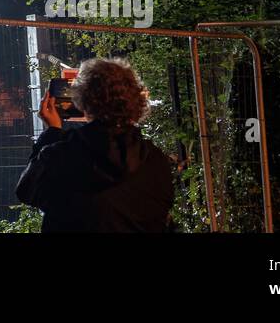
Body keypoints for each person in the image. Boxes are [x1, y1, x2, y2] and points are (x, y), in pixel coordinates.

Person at [15, 58, 174, 233]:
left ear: (82, 102)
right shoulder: (156, 161)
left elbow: (27, 191)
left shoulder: (61, 156)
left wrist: (52, 132)